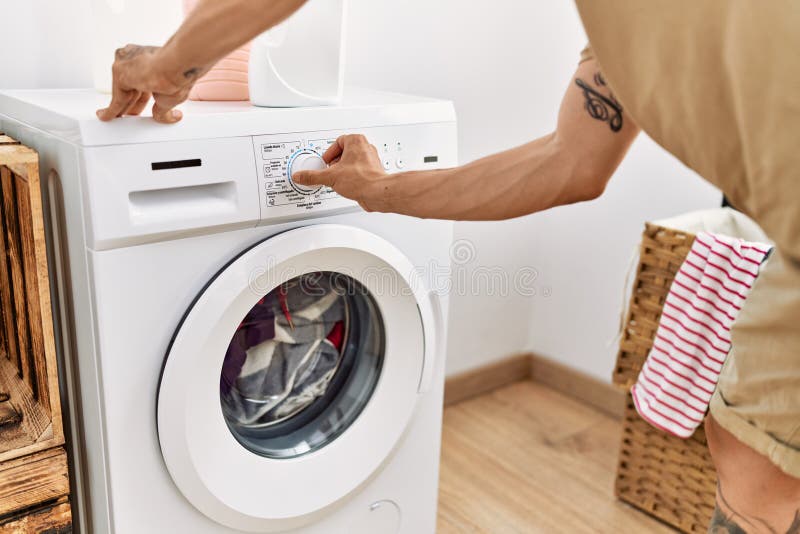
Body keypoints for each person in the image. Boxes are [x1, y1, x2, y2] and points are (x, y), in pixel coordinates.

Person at [99, 1, 800, 531]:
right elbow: (569, 164)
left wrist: (167, 63)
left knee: (756, 456)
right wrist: (379, 193)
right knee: (752, 451)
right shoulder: (620, 30)